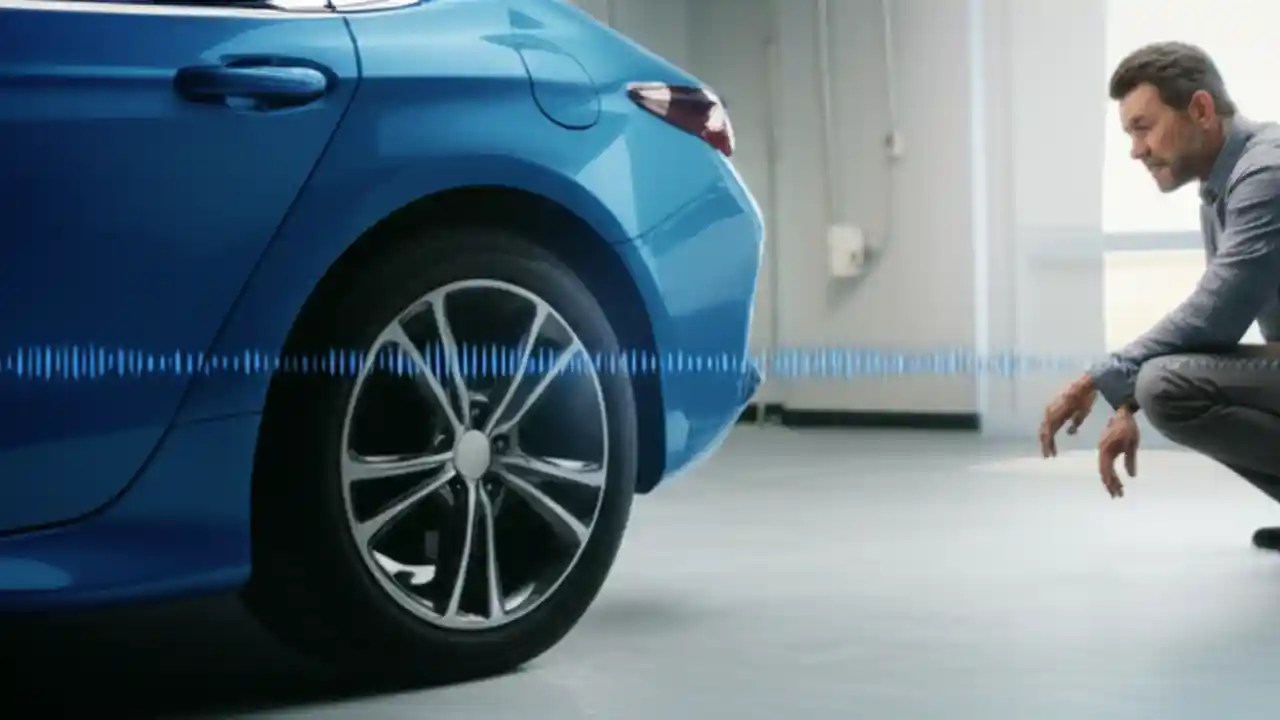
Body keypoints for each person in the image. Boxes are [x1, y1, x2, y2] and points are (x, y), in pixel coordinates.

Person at [1039, 41, 1280, 550]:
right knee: (1157, 384)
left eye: (1143, 127)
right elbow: (1213, 327)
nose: (1135, 149)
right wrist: (1124, 398)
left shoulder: (1266, 174)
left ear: (1200, 109)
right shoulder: (1224, 185)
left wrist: (1097, 380)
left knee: (1167, 386)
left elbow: (1216, 314)